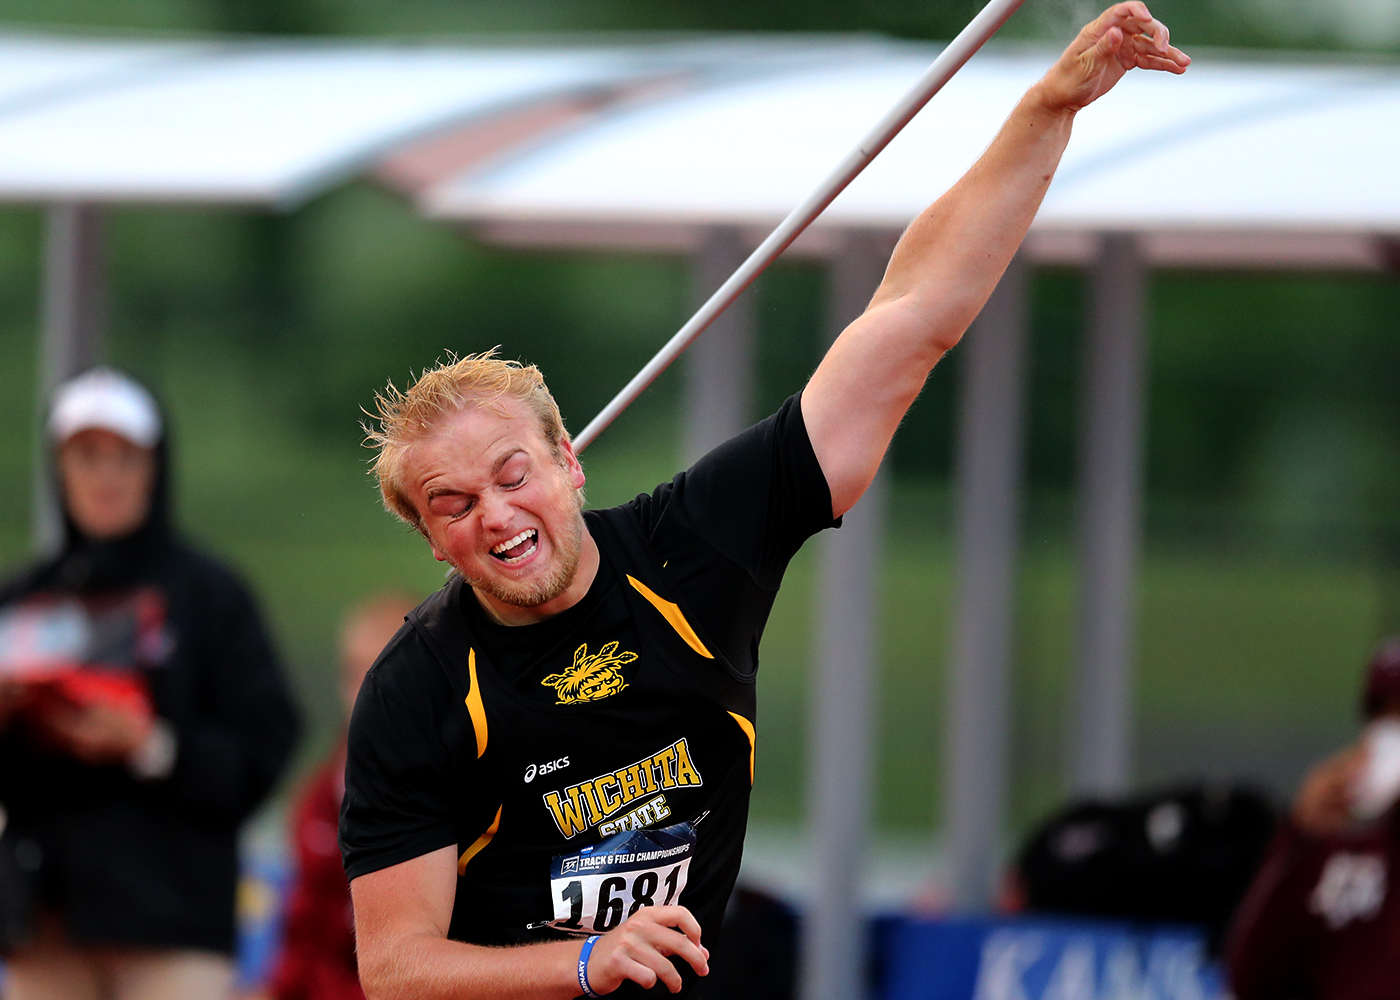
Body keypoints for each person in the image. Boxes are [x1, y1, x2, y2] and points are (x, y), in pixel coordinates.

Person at [340, 7, 1190, 998]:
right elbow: (394, 968)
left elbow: (910, 320)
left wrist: (1047, 109)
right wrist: (584, 960)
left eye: (512, 473)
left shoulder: (693, 546)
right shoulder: (415, 687)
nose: (494, 514)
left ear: (568, 461)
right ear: (432, 540)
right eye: (453, 504)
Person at [0, 368, 301, 1000]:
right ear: (59, 468)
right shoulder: (25, 601)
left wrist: (151, 745)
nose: (105, 475)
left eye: (125, 456)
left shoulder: (209, 596)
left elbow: (267, 743)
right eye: (87, 456)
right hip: (46, 921)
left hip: (172, 925)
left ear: (155, 466)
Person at [1227, 637, 1400, 1000]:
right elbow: (1250, 975)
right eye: (1383, 714)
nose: (1391, 732)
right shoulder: (1337, 849)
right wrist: (1299, 835)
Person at [267, 594, 420, 1000]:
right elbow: (303, 937)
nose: (365, 693)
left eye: (385, 672)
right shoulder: (319, 798)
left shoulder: (473, 791)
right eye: (354, 674)